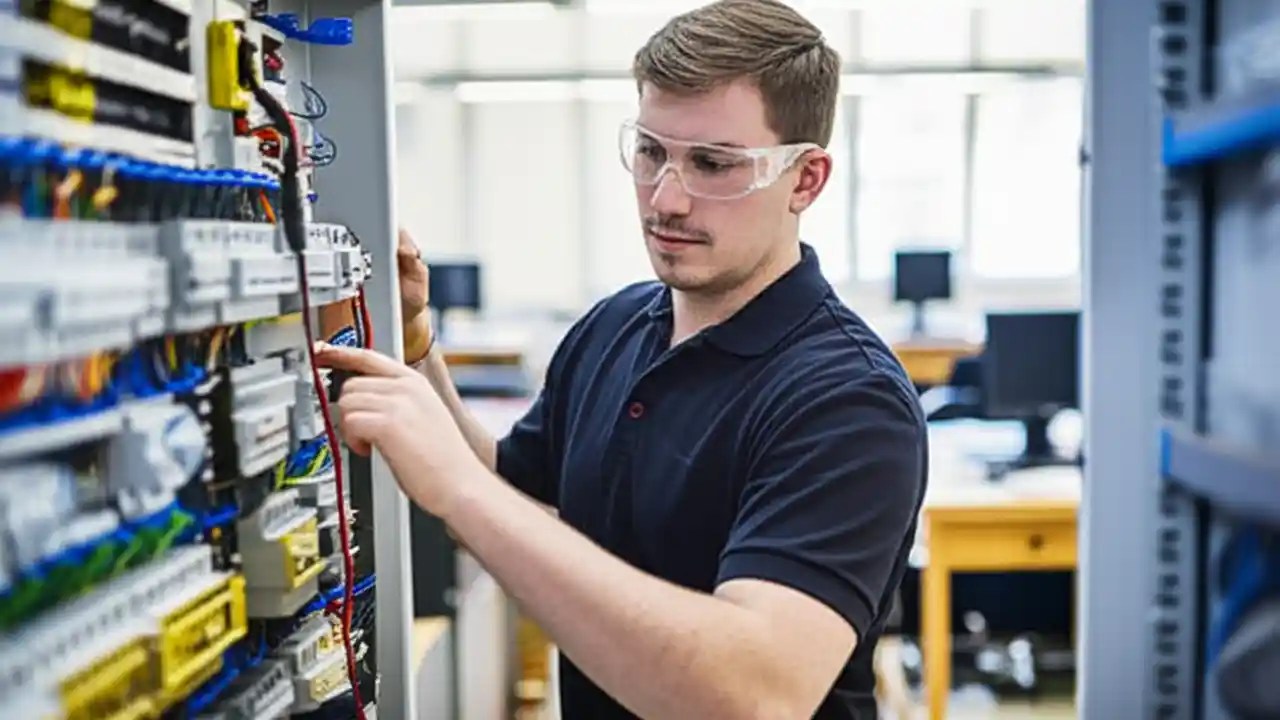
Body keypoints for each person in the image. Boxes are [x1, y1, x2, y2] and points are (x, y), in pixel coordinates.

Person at [317, 1, 927, 717]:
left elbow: (755, 695)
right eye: (650, 152)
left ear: (806, 180)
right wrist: (417, 347)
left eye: (713, 163)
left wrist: (458, 489)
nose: (665, 199)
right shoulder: (615, 325)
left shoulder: (848, 401)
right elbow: (517, 507)